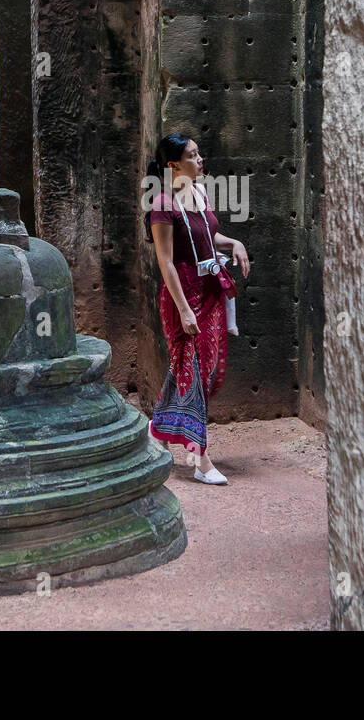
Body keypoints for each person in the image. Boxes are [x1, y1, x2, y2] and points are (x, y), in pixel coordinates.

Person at [144, 133, 249, 484]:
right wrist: (184, 310)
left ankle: (158, 429)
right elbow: (166, 262)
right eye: (192, 155)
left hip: (211, 291)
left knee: (203, 371)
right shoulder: (162, 204)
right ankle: (200, 460)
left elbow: (208, 235)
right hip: (184, 296)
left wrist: (234, 242)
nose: (200, 159)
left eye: (199, 153)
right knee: (194, 374)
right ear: (173, 165)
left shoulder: (198, 193)